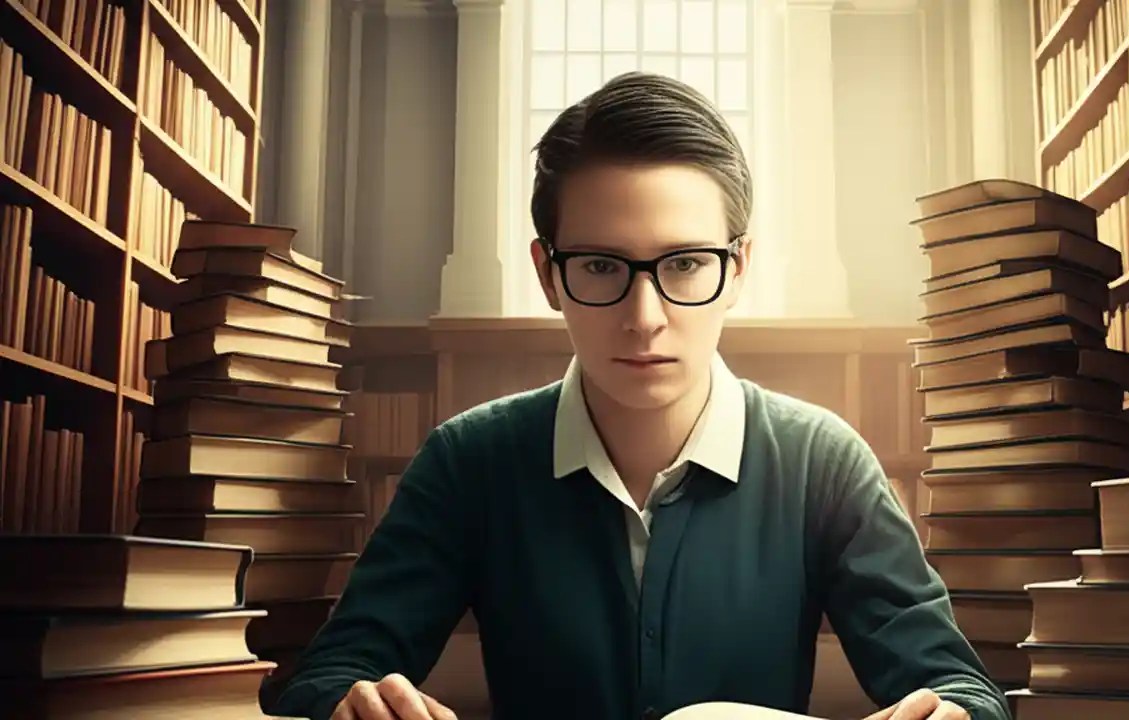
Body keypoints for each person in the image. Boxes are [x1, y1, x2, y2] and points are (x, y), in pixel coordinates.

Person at [263, 71, 1013, 720]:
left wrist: (950, 708)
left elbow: (958, 684)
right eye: (599, 266)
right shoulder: (470, 461)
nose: (645, 316)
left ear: (740, 267)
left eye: (686, 264)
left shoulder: (823, 461)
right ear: (548, 273)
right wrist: (346, 700)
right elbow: (331, 673)